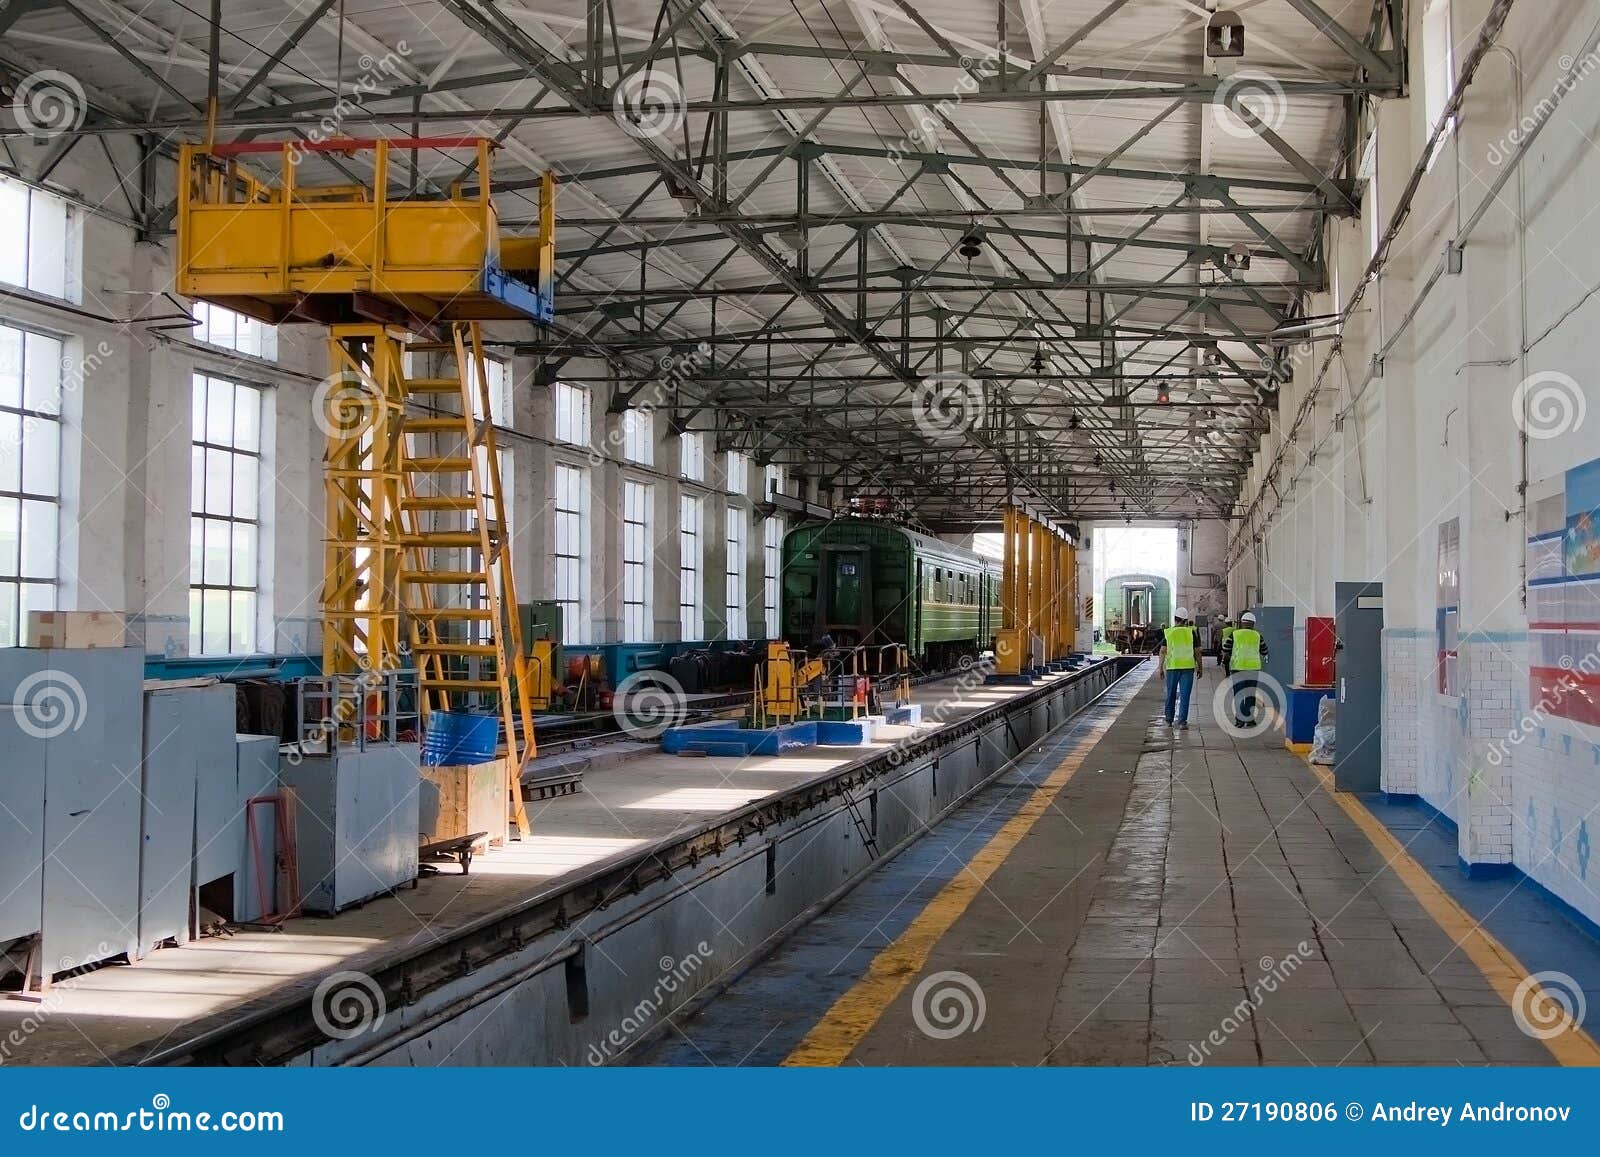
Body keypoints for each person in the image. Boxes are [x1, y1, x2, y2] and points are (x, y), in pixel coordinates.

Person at [1221, 611, 1268, 728]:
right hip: (1253, 668)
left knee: (1239, 694)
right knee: (1250, 694)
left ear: (1242, 623)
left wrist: (1226, 659)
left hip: (1238, 667)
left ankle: (1240, 720)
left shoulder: (1235, 634)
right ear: (1253, 624)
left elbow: (1226, 648)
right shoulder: (1258, 635)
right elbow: (1264, 650)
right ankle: (1249, 718)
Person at [1158, 607, 1201, 729]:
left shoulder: (1169, 632)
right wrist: (1200, 667)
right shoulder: (1191, 632)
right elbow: (1197, 652)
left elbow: (1162, 651)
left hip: (1172, 667)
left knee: (1170, 694)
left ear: (1175, 619)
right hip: (1188, 667)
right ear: (1186, 620)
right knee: (1185, 695)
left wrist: (1160, 667)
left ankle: (1168, 720)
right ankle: (1182, 722)